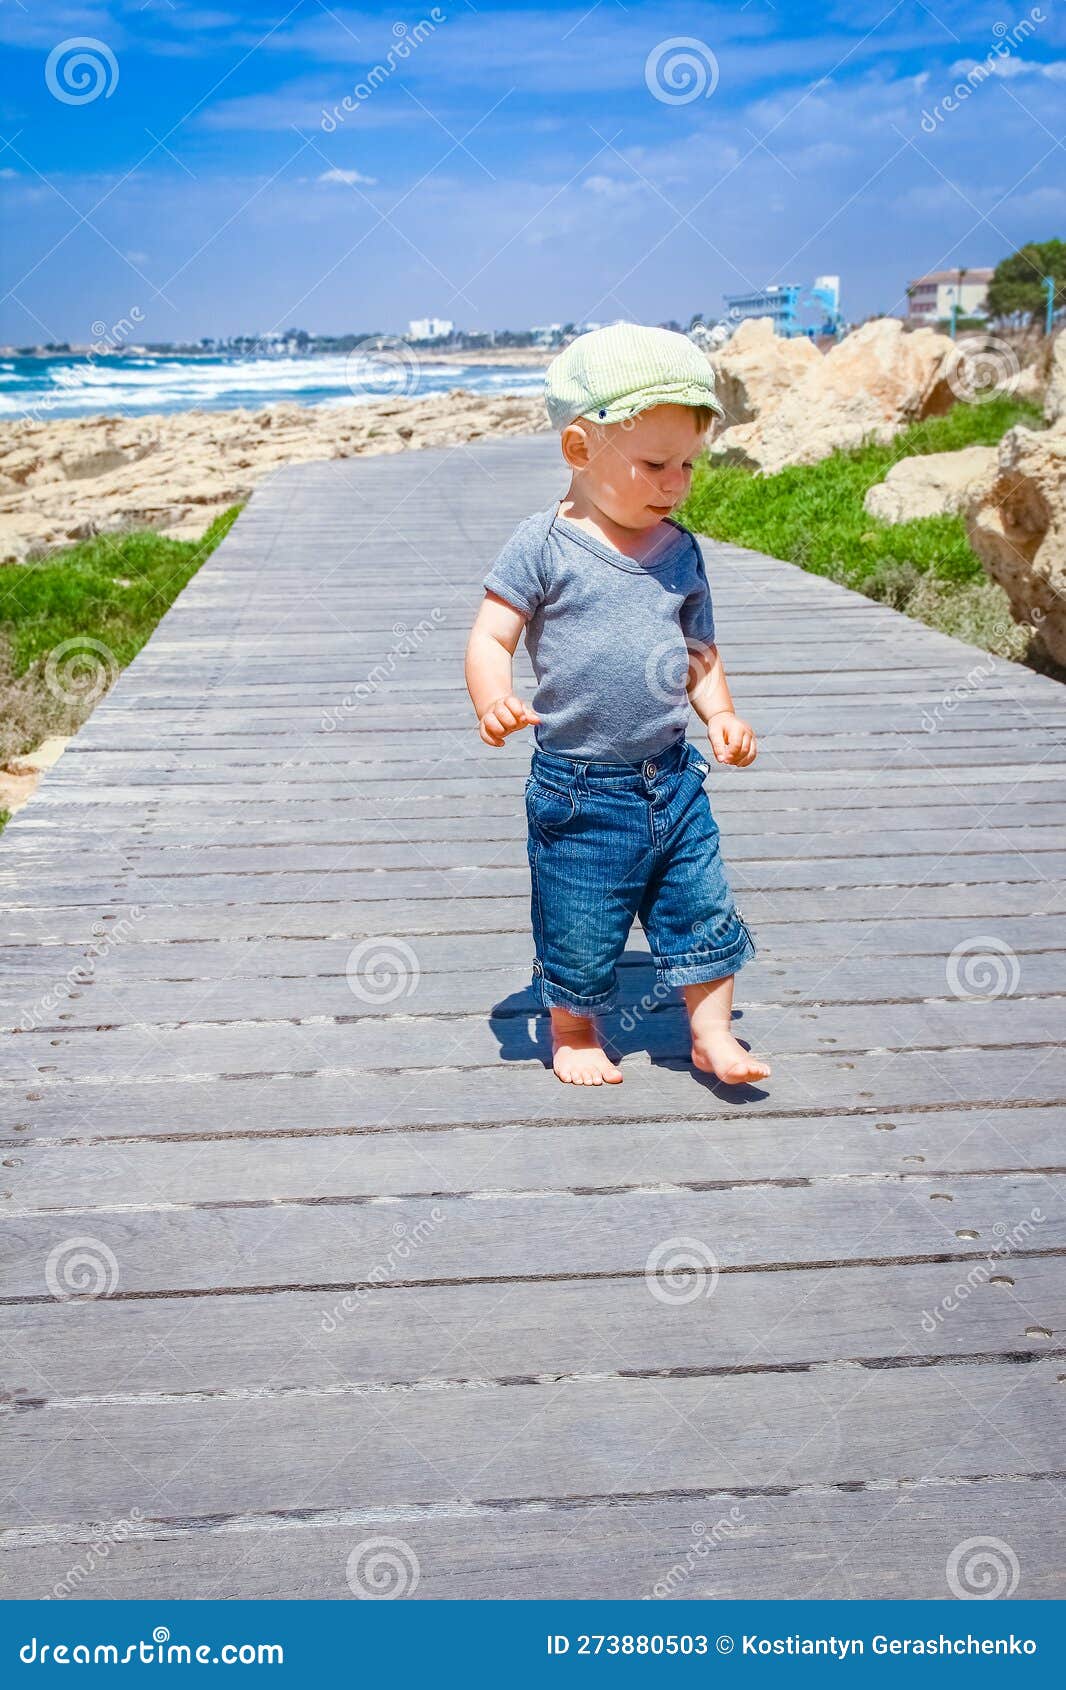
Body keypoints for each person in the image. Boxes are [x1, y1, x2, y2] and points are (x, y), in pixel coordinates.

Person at [464, 323, 770, 1089]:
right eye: (655, 463)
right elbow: (490, 636)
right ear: (579, 450)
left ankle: (709, 1032)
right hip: (581, 790)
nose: (676, 482)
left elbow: (699, 653)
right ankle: (572, 1030)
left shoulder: (680, 548)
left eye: (689, 464)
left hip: (672, 775)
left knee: (702, 905)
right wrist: (493, 698)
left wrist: (721, 714)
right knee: (579, 923)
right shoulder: (542, 546)